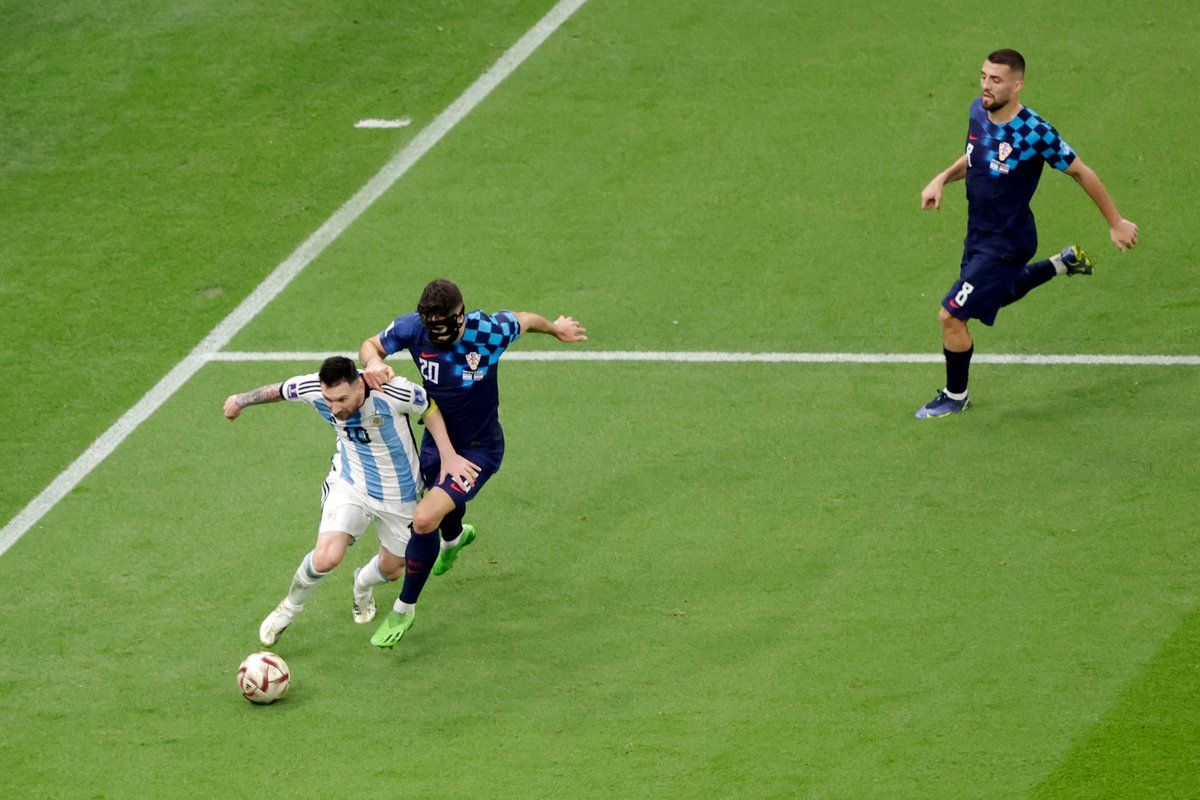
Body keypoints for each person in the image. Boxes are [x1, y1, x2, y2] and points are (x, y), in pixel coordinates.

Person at [358, 278, 587, 647]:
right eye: (430, 326)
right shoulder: (412, 329)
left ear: (460, 316)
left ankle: (404, 608)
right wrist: (372, 362)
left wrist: (556, 328)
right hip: (437, 442)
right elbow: (371, 345)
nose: (436, 334)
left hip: (480, 448)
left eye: (443, 325)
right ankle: (454, 539)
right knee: (442, 506)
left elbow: (526, 319)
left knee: (424, 518)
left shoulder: (489, 331)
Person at [916, 48, 1138, 418]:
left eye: (996, 80)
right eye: (983, 76)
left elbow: (1081, 171)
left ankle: (955, 396)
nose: (986, 86)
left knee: (951, 315)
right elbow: (974, 158)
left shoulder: (1035, 132)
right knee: (991, 297)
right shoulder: (978, 112)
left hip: (1007, 243)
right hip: (978, 235)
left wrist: (1115, 221)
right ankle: (1061, 263)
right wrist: (941, 179)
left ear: (1016, 85)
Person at [222, 355, 478, 647]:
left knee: (393, 569)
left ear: (359, 386)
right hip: (350, 483)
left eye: (342, 399)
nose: (335, 408)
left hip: (401, 495)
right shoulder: (313, 388)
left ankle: (362, 582)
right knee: (326, 556)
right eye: (329, 399)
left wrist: (448, 455)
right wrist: (240, 401)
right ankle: (287, 609)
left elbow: (429, 407)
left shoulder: (393, 390)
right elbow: (279, 391)